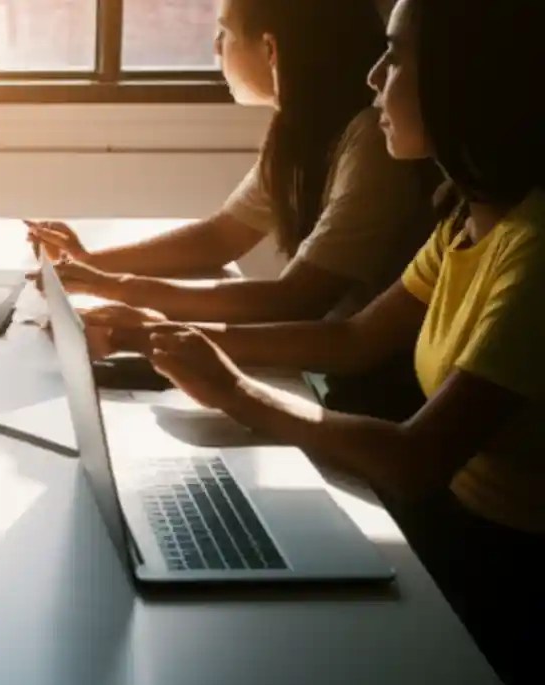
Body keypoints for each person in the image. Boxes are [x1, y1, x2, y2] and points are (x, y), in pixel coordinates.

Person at [87, 0, 543, 685]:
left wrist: (241, 394)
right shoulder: (467, 217)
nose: (373, 76)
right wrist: (165, 338)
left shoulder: (535, 248)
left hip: (505, 574)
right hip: (454, 532)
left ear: (463, 80)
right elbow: (355, 338)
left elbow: (416, 460)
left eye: (394, 58)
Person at [30, 0, 435, 420]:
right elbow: (221, 236)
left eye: (224, 31)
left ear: (271, 50)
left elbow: (295, 299)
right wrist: (92, 265)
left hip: (372, 396)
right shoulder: (300, 132)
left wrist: (122, 292)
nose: (216, 46)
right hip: (327, 373)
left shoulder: (371, 143)